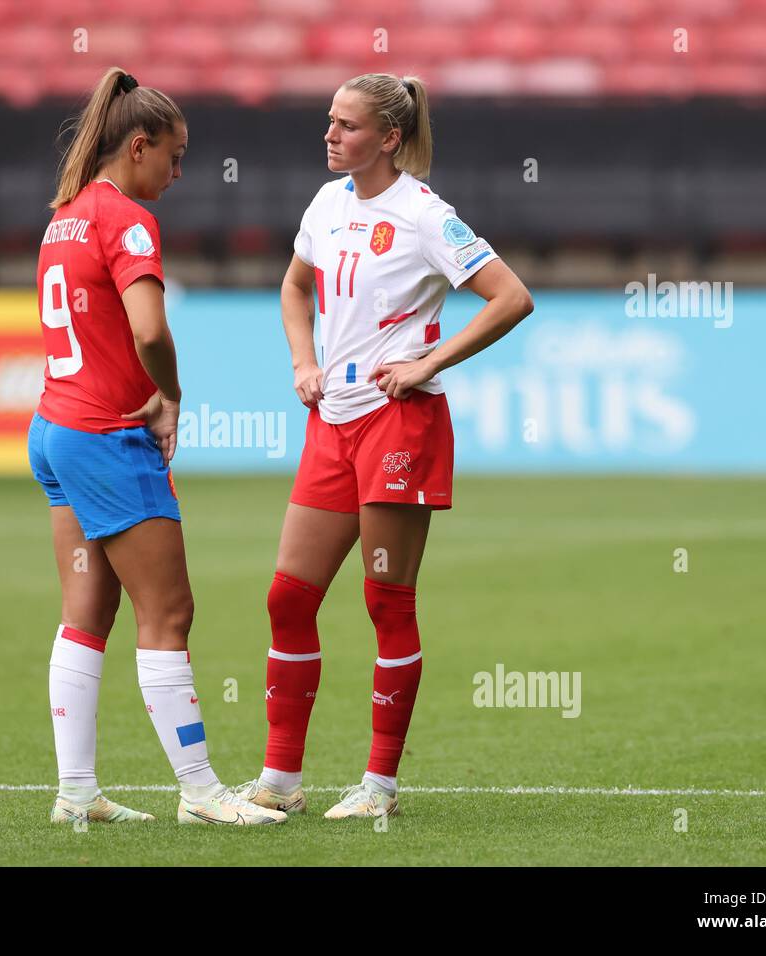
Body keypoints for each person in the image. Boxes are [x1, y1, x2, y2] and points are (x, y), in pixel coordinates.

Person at [237, 73, 534, 819]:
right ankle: (280, 780)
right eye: (329, 121)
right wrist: (303, 364)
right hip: (332, 421)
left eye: (346, 126)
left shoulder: (425, 215)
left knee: (385, 601)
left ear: (389, 137)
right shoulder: (327, 203)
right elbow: (295, 287)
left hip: (399, 422)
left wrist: (428, 362)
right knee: (287, 597)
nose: (330, 135)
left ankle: (379, 787)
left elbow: (511, 296)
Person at [30, 67, 287, 826]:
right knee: (169, 612)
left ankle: (76, 793)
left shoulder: (66, 214)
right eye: (173, 157)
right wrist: (170, 395)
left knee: (86, 611)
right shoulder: (126, 220)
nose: (178, 173)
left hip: (53, 433)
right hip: (107, 437)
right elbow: (148, 328)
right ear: (137, 146)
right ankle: (203, 793)